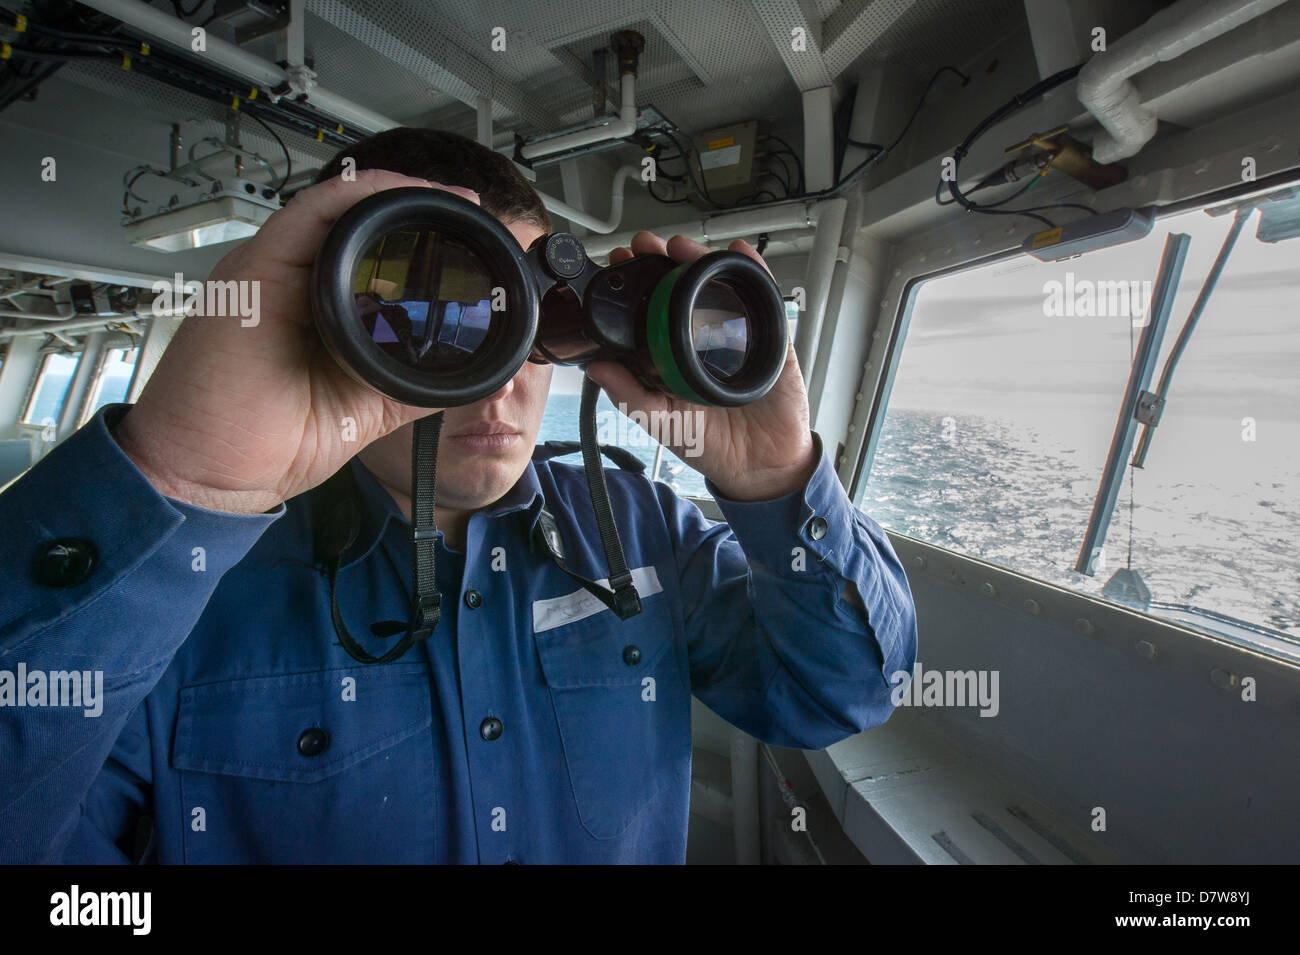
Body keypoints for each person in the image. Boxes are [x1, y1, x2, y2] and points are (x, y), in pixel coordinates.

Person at [0, 128, 916, 864]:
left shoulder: (641, 530)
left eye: (533, 323)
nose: (499, 378)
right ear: (332, 328)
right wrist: (181, 472)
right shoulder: (178, 593)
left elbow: (843, 695)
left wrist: (776, 480)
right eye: (448, 319)